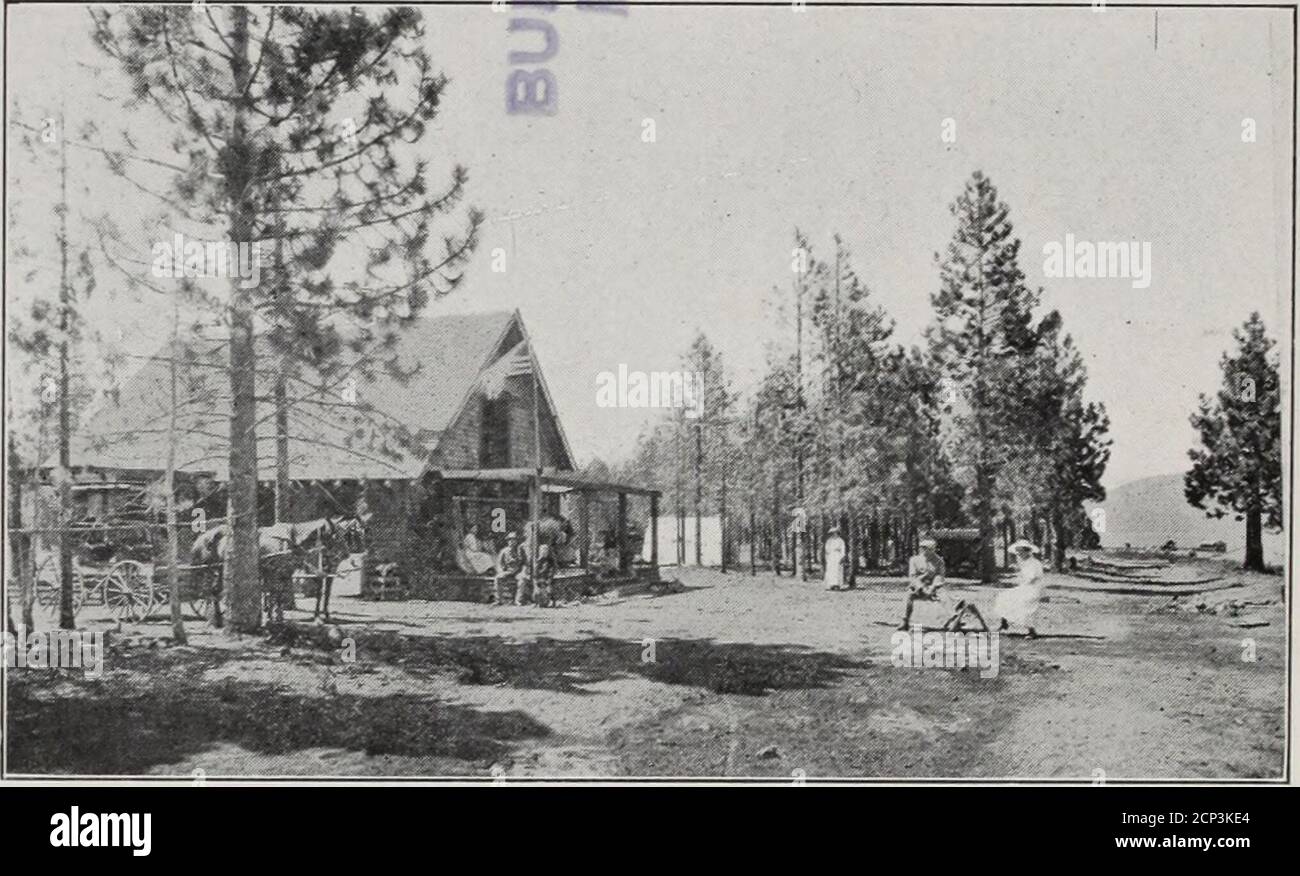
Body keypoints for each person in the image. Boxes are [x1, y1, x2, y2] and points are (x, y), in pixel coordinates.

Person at [899, 536, 987, 631]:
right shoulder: (914, 560)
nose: (924, 550)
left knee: (945, 596)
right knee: (908, 595)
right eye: (922, 548)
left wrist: (933, 588)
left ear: (933, 549)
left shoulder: (939, 561)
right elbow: (913, 577)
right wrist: (921, 587)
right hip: (919, 588)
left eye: (928, 548)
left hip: (934, 588)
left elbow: (940, 577)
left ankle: (953, 618)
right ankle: (905, 621)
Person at [994, 540, 1046, 638]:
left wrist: (1022, 585)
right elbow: (1023, 578)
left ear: (1027, 551)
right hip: (1026, 587)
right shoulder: (1024, 563)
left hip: (1033, 589)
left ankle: (1032, 631)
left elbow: (1033, 578)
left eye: (1021, 551)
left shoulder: (1034, 563)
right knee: (1003, 596)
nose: (1018, 554)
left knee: (1024, 604)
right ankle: (1004, 622)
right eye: (1017, 551)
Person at [492, 532, 526, 606]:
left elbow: (524, 563)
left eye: (514, 540)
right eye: (510, 540)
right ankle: (498, 600)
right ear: (508, 541)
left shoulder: (520, 551)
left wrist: (523, 571)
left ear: (516, 541)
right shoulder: (504, 551)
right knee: (498, 578)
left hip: (518, 572)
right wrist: (501, 571)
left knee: (522, 580)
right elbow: (499, 564)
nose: (512, 542)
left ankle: (518, 601)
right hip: (507, 571)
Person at [823, 526, 847, 590]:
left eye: (835, 533)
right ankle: (830, 584)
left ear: (837, 533)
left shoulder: (840, 540)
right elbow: (827, 549)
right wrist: (827, 556)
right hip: (831, 556)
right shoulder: (829, 541)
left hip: (837, 556)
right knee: (830, 570)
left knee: (837, 570)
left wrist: (842, 556)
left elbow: (843, 549)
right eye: (833, 533)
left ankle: (837, 585)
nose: (834, 534)